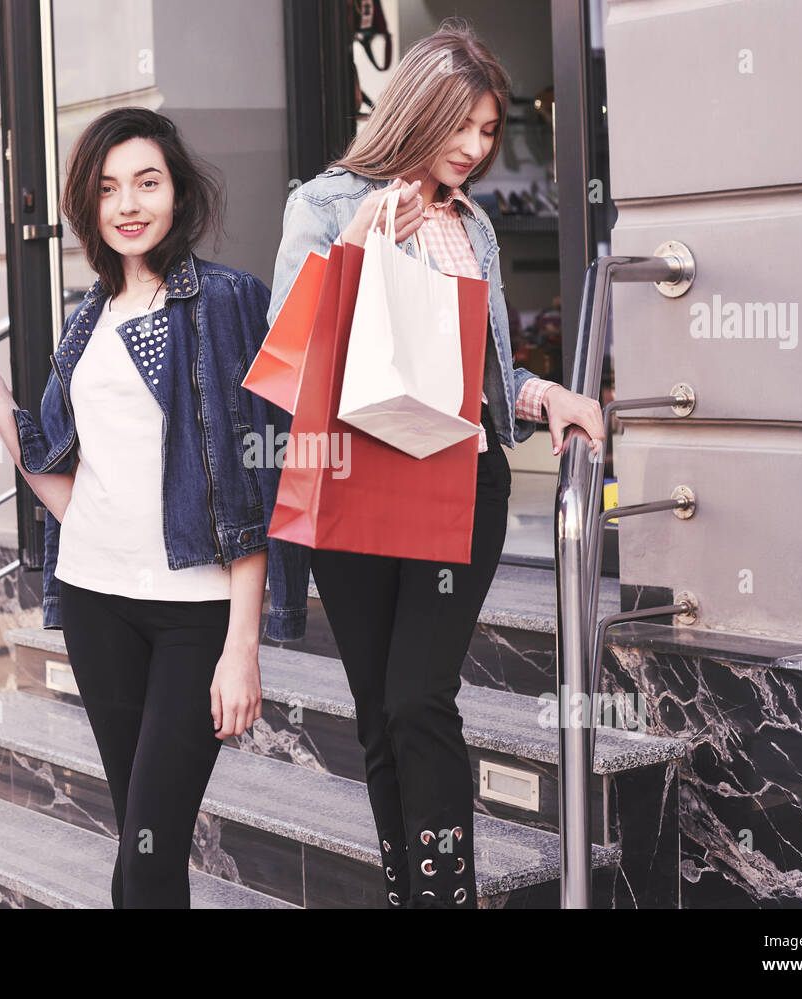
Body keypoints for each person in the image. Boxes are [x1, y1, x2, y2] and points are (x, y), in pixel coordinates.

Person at [0, 107, 306, 908]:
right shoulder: (86, 319)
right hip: (96, 602)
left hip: (194, 612)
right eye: (109, 187)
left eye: (147, 183)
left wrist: (243, 647)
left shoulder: (226, 303)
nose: (129, 203)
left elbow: (250, 484)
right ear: (88, 205)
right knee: (139, 839)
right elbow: (64, 487)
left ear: (177, 192)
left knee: (152, 853)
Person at [266, 19, 606, 908]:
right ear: (414, 111)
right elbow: (289, 357)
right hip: (354, 480)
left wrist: (541, 399)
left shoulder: (475, 227)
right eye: (461, 124)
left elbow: (481, 376)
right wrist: (365, 240)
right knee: (379, 711)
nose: (474, 147)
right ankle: (410, 892)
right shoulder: (325, 204)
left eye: (489, 130)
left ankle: (448, 896)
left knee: (420, 696)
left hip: (461, 481)